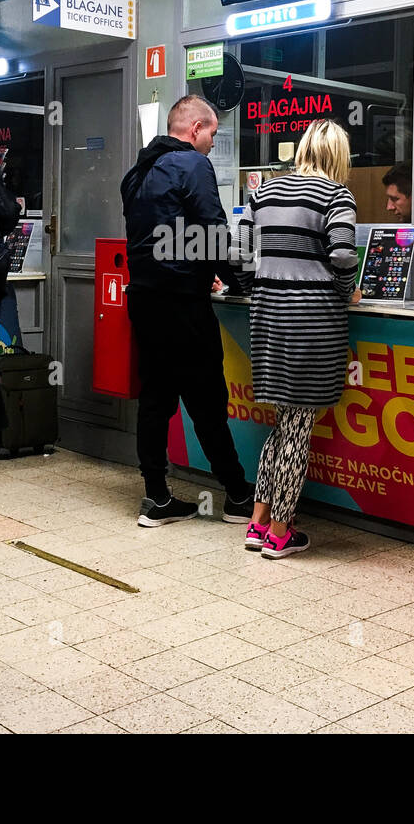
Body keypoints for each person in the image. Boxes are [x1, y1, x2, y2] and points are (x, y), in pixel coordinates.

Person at [120, 95, 254, 528]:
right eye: (213, 132)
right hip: (181, 302)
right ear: (195, 128)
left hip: (144, 297)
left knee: (156, 398)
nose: (214, 142)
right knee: (207, 399)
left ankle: (156, 498)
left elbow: (161, 234)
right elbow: (213, 231)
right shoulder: (193, 165)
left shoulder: (137, 171)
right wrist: (236, 282)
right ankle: (236, 495)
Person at [233, 120, 360, 558]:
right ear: (338, 156)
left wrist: (256, 288)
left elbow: (239, 252)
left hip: (268, 321)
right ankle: (281, 533)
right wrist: (346, 291)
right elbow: (342, 252)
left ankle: (258, 522)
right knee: (299, 430)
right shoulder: (335, 195)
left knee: (284, 424)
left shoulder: (264, 192)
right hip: (312, 323)